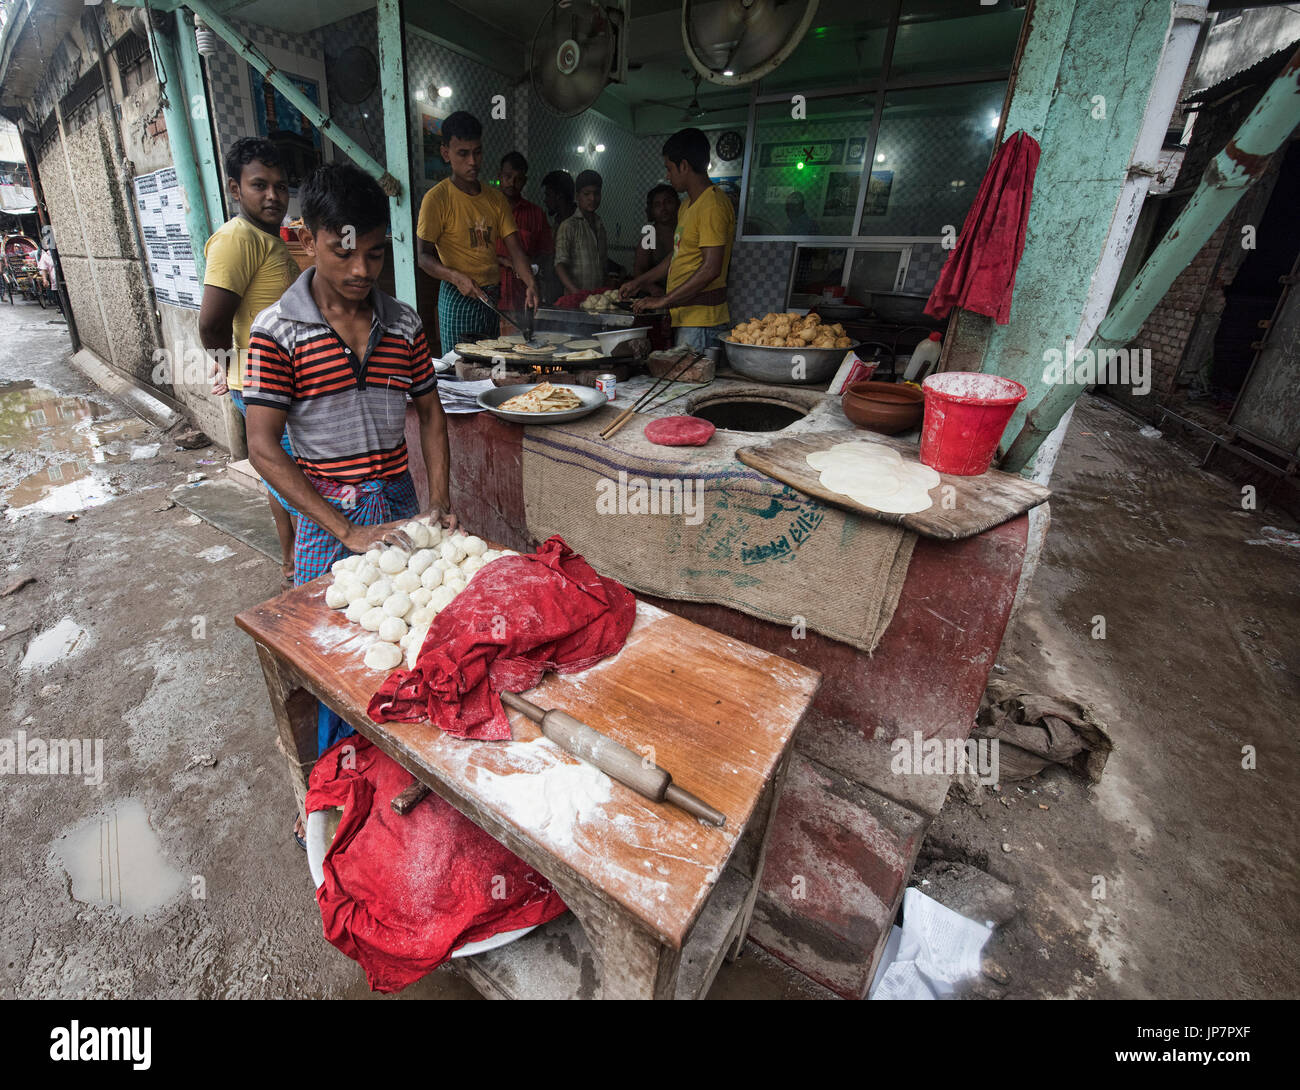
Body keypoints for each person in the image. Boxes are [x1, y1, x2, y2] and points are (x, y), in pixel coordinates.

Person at [244, 163, 455, 840]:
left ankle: (398, 785)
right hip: (326, 513)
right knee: (331, 661)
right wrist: (344, 529)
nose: (362, 269)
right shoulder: (278, 333)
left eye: (375, 253)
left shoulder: (405, 325)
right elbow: (263, 447)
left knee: (405, 647)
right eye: (344, 251)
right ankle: (336, 790)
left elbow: (430, 413)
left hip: (398, 495)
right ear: (308, 240)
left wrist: (440, 503)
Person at [199, 137, 301, 587]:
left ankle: (292, 563)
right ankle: (311, 571)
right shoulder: (236, 239)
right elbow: (211, 323)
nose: (273, 195)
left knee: (282, 479)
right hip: (266, 388)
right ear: (235, 189)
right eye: (259, 185)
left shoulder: (266, 239)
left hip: (275, 383)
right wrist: (232, 366)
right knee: (301, 485)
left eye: (280, 185)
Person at [415, 111, 538, 355]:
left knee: (490, 368)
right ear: (446, 153)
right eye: (463, 153)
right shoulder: (437, 199)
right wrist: (455, 276)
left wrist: (531, 283)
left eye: (477, 152)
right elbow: (423, 257)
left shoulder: (495, 199)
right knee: (460, 369)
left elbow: (516, 250)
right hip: (457, 295)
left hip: (491, 296)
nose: (473, 161)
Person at [620, 128, 735, 352]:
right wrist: (640, 282)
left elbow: (711, 268)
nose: (667, 175)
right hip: (686, 318)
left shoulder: (712, 204)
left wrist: (664, 300)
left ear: (684, 166)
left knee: (689, 386)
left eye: (669, 168)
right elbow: (677, 255)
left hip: (702, 322)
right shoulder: (687, 206)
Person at [494, 151, 553, 313]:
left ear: (525, 181)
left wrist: (531, 266)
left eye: (518, 179)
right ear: (499, 175)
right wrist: (506, 261)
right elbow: (475, 253)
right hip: (491, 296)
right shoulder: (486, 210)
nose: (512, 183)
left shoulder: (536, 214)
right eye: (507, 176)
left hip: (523, 296)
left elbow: (546, 252)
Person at [554, 169, 608, 295]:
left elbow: (603, 266)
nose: (592, 198)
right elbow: (559, 265)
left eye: (596, 193)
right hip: (575, 301)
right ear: (577, 196)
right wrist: (576, 293)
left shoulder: (600, 226)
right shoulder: (568, 226)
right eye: (587, 194)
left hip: (597, 300)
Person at [632, 183, 679, 294]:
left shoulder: (686, 229)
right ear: (651, 210)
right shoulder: (650, 235)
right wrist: (652, 289)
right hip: (657, 297)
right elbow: (639, 270)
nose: (663, 208)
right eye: (657, 205)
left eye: (668, 202)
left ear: (677, 204)